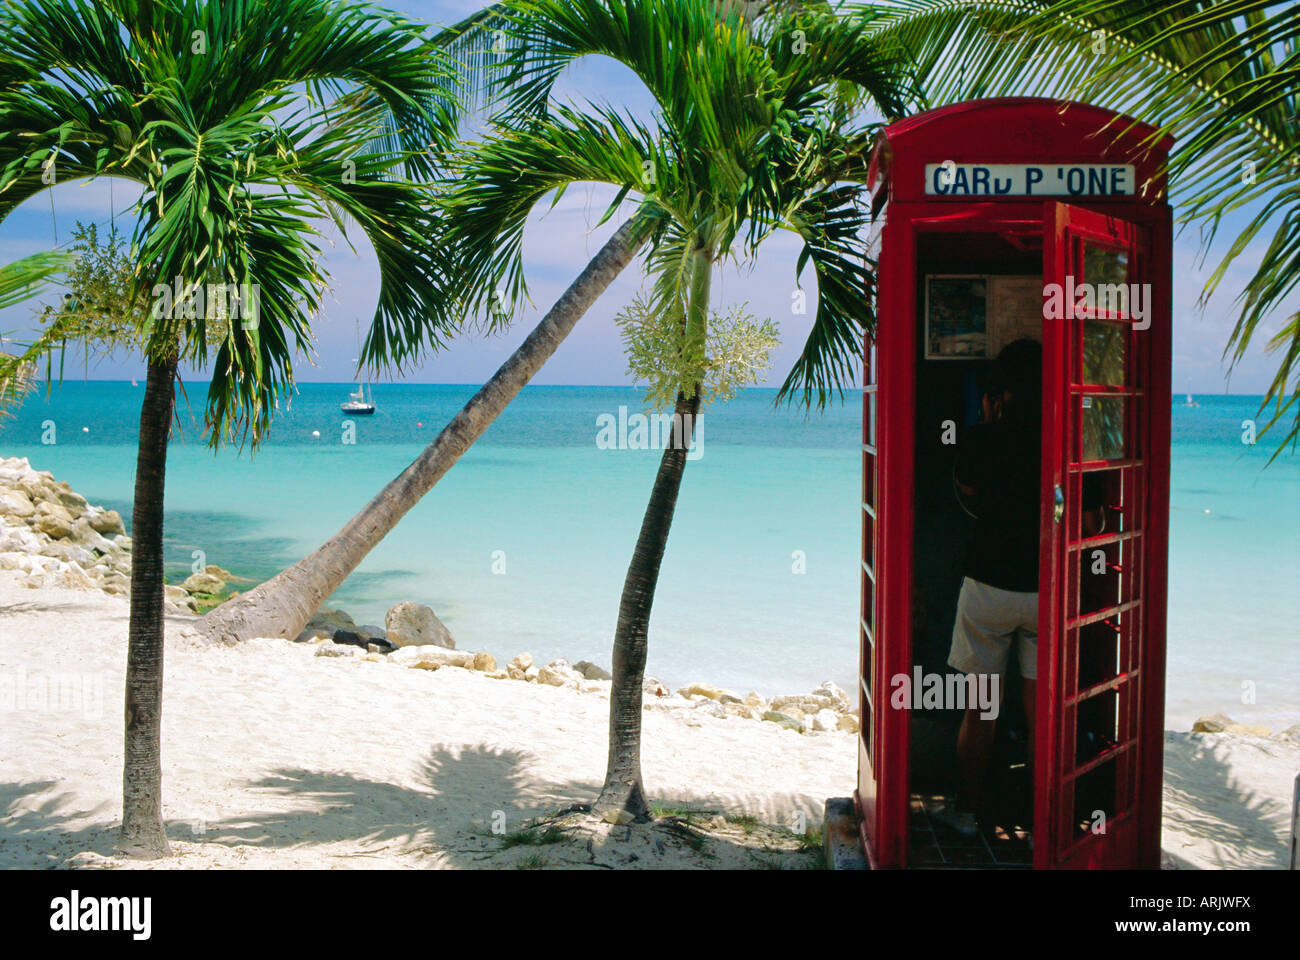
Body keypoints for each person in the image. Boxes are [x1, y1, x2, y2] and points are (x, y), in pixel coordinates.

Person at [935, 338, 1042, 840]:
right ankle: (1049, 818)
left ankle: (965, 810)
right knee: (1043, 708)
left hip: (988, 587)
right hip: (1048, 588)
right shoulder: (1063, 436)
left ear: (997, 389)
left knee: (981, 709)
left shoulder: (980, 438)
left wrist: (982, 418)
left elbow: (968, 489)